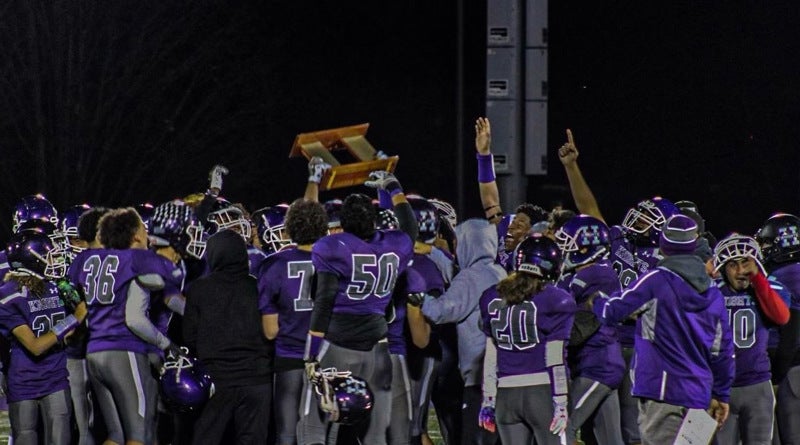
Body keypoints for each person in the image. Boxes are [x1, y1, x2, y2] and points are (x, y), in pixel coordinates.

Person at [592, 215, 735, 444]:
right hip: (699, 395)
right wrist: (721, 394)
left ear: (663, 244)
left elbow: (612, 311)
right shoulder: (714, 292)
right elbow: (723, 351)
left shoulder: (655, 280)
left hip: (662, 392)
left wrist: (596, 299)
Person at [303, 171, 417, 445]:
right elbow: (409, 228)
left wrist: (311, 353)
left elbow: (325, 300)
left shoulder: (332, 247)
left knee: (317, 424)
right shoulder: (395, 244)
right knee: (372, 429)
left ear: (343, 222)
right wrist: (393, 186)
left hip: (339, 346)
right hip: (378, 347)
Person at [74, 207, 183, 445]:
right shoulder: (135, 258)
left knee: (115, 435)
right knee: (139, 433)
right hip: (123, 349)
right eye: (143, 229)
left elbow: (75, 289)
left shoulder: (86, 259)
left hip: (94, 352)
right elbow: (171, 274)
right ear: (135, 234)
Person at [411, 217, 507, 445]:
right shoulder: (498, 272)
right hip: (501, 374)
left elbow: (442, 310)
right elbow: (458, 275)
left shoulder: (471, 277)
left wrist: (417, 297)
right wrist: (432, 252)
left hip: (479, 379)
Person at [478, 234, 576, 445]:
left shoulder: (491, 296)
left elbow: (491, 352)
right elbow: (555, 356)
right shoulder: (556, 299)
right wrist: (560, 403)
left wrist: (488, 399)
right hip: (541, 392)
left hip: (505, 395)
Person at [183, 229, 274, 444]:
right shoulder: (257, 286)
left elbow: (189, 337)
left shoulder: (199, 289)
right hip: (257, 379)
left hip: (217, 380)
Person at [0, 228, 86, 445]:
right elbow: (35, 346)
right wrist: (74, 319)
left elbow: (70, 334)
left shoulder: (57, 287)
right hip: (24, 380)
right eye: (49, 256)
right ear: (31, 259)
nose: (55, 261)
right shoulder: (9, 296)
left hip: (56, 376)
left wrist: (77, 321)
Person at [259, 199, 328, 445]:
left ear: (290, 228)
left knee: (286, 434)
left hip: (289, 356)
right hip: (325, 357)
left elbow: (270, 331)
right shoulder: (335, 260)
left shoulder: (275, 264)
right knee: (321, 434)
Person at [712, 234, 790, 444]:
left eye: (746, 263)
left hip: (757, 384)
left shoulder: (771, 289)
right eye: (733, 265)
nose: (740, 271)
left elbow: (781, 316)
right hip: (720, 386)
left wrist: (758, 279)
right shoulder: (711, 293)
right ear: (722, 268)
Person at [554, 215, 625, 445]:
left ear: (586, 247)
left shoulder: (596, 275)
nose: (564, 248)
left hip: (596, 365)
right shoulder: (590, 273)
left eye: (569, 243)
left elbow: (571, 321)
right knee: (610, 440)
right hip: (602, 364)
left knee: (562, 428)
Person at [754, 213, 800, 444]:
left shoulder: (782, 277)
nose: (764, 248)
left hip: (791, 366)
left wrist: (778, 374)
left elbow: (791, 332)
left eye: (768, 242)